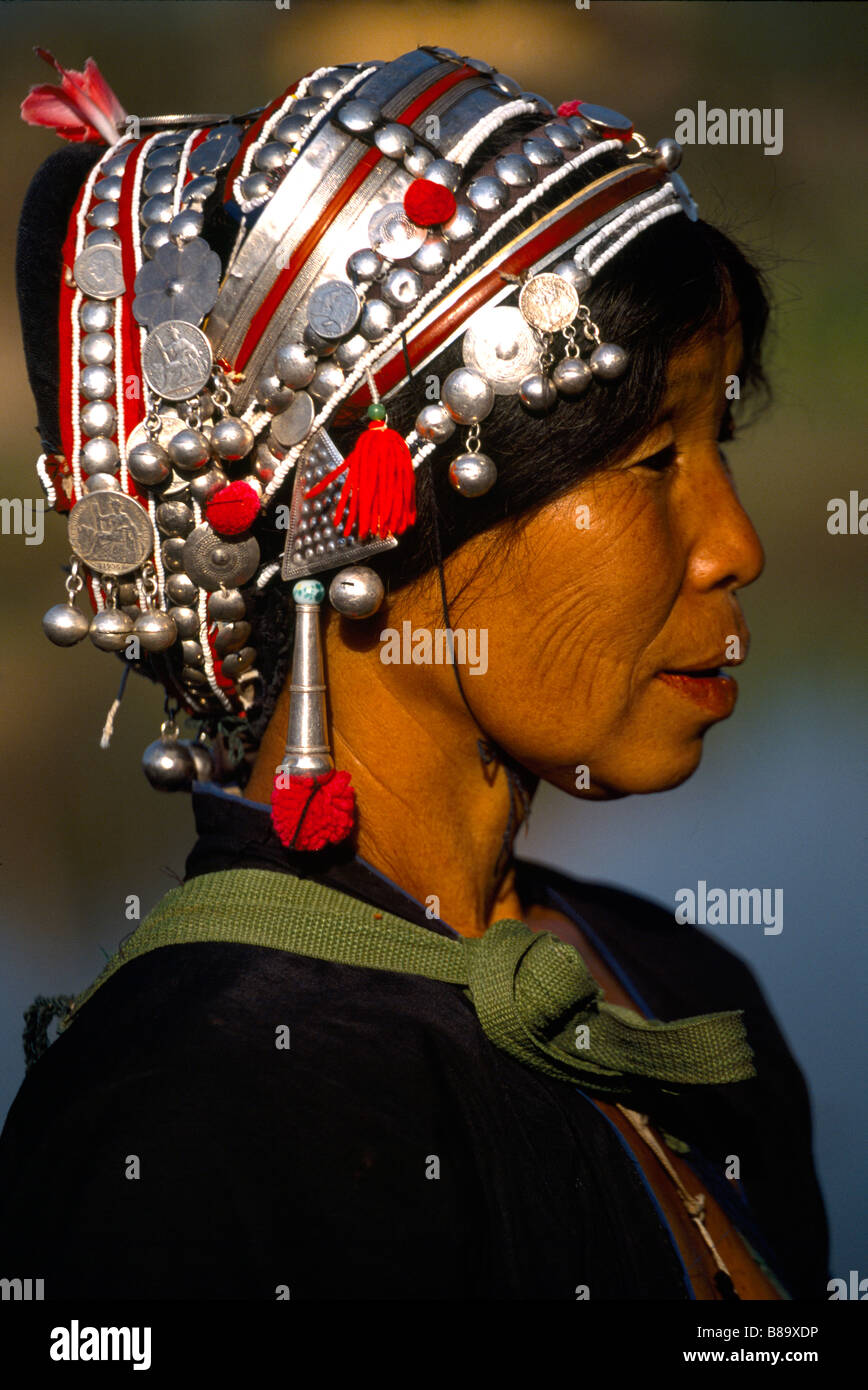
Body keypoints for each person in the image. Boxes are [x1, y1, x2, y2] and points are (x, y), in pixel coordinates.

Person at [0, 44, 828, 1300]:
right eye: (655, 459)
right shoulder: (188, 1111)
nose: (738, 546)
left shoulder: (673, 984)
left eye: (721, 440)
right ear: (378, 510)